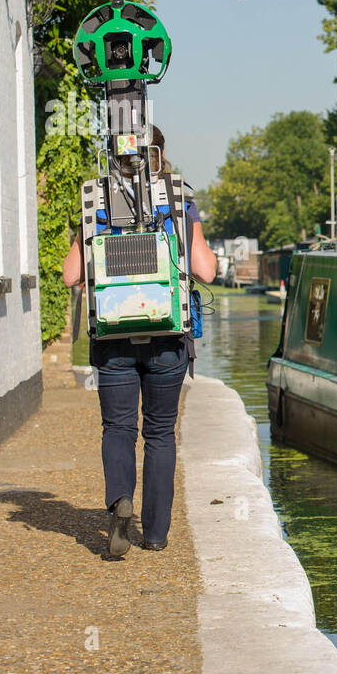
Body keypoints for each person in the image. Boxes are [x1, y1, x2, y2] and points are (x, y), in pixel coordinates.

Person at [63, 127, 217, 556]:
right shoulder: (178, 200)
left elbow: (71, 275)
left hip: (113, 338)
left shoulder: (96, 201)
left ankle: (119, 501)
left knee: (118, 427)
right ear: (160, 155)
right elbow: (205, 272)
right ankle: (155, 535)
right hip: (166, 336)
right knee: (160, 433)